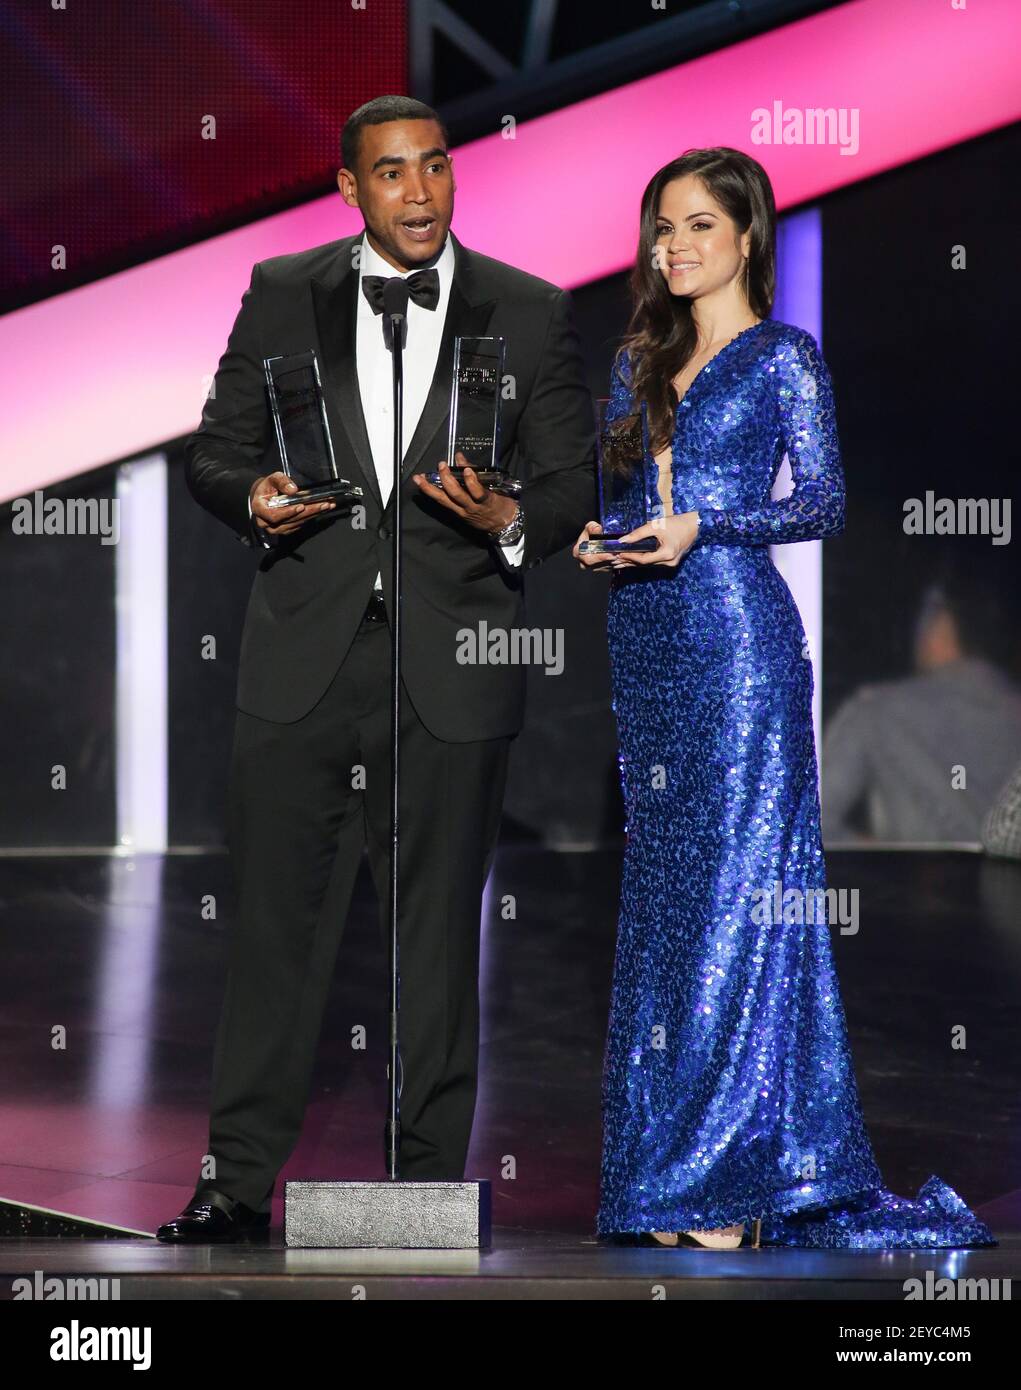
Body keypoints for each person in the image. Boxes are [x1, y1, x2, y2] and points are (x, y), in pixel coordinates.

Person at [157, 95, 594, 1242]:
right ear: (349, 189)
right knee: (272, 938)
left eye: (436, 167)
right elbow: (215, 452)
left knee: (437, 941)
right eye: (392, 174)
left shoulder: (532, 310)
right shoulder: (280, 292)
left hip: (449, 672)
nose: (419, 193)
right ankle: (235, 1181)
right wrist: (250, 496)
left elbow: (569, 488)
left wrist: (508, 518)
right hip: (302, 667)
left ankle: (418, 1193)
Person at [574, 147, 995, 1250]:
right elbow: (623, 498)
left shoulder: (781, 358)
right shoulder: (631, 364)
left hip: (740, 651)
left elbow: (824, 498)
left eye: (699, 225)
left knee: (734, 904)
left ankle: (732, 1180)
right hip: (646, 640)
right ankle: (664, 1181)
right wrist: (602, 534)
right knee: (665, 912)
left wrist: (709, 523)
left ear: (748, 235)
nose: (675, 245)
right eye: (662, 225)